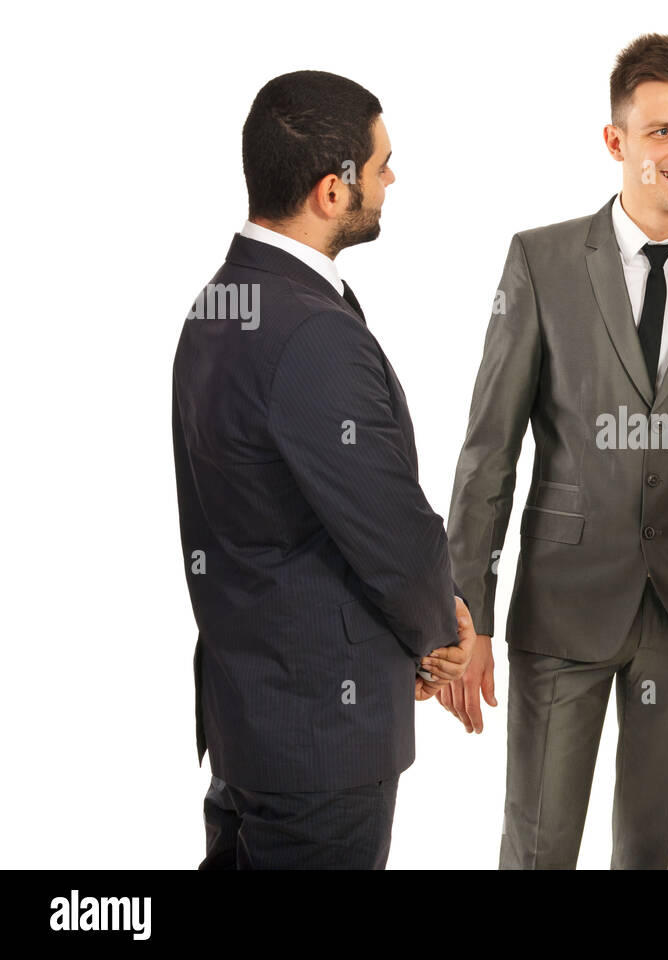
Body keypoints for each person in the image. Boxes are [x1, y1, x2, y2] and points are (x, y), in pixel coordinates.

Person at [442, 34, 668, 869]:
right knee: (538, 849)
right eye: (664, 133)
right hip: (564, 604)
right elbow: (487, 451)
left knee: (652, 854)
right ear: (616, 142)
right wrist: (466, 610)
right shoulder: (539, 261)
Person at [171, 70, 474, 869]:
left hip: (251, 726)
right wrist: (441, 635)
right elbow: (392, 534)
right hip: (318, 746)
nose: (391, 178)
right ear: (330, 191)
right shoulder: (312, 335)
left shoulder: (219, 304)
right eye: (379, 165)